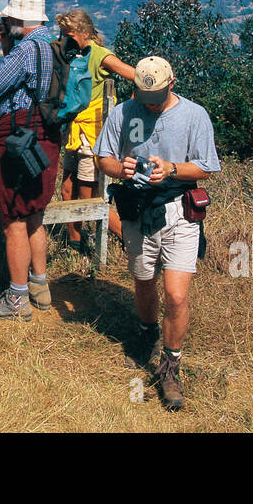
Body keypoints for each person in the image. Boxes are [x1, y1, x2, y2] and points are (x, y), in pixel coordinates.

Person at [95, 56, 220, 411]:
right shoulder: (123, 112)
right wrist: (122, 169)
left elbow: (207, 167)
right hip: (136, 210)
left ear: (172, 84)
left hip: (179, 209)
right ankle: (148, 331)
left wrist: (172, 169)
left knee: (177, 294)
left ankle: (170, 366)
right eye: (143, 94)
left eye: (157, 95)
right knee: (144, 280)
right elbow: (104, 158)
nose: (149, 102)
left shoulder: (194, 115)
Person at [0, 0, 60, 321]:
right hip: (45, 139)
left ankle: (16, 299)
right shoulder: (51, 45)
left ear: (20, 20)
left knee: (14, 220)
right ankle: (40, 286)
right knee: (35, 211)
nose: (3, 23)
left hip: (21, 140)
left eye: (7, 19)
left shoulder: (26, 50)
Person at [54, 8, 135, 252]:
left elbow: (136, 76)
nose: (64, 39)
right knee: (68, 190)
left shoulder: (100, 55)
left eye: (69, 33)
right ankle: (75, 243)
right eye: (61, 34)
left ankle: (131, 241)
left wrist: (129, 111)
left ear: (85, 33)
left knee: (90, 197)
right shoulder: (68, 53)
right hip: (73, 132)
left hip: (93, 134)